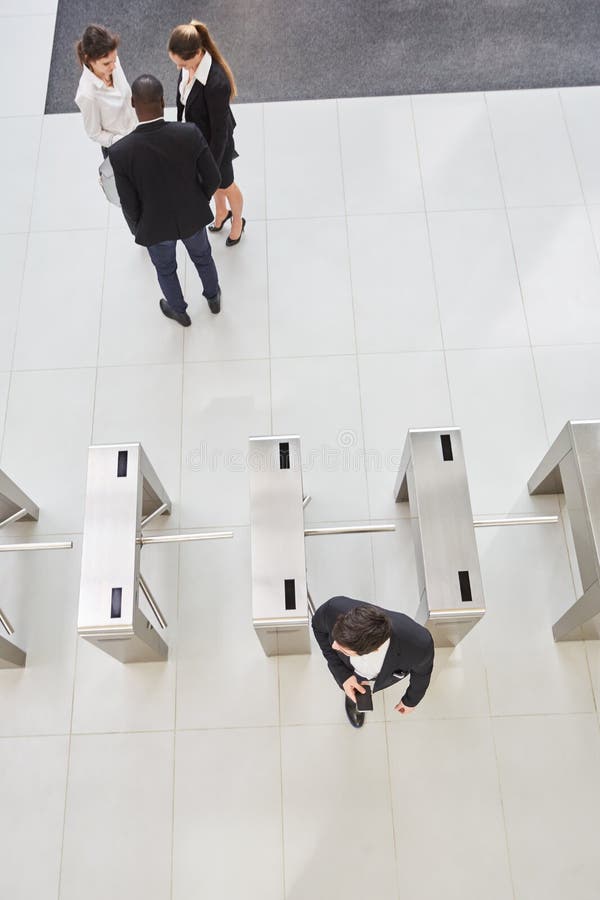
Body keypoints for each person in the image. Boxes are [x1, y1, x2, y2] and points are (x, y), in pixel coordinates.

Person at [108, 74, 222, 327]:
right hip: (192, 216)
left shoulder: (120, 153)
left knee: (165, 269)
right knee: (203, 257)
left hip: (154, 225)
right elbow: (213, 177)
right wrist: (197, 200)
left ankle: (179, 311)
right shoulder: (189, 133)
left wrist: (139, 228)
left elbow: (129, 202)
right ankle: (213, 298)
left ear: (133, 104)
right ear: (163, 101)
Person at [168, 19, 245, 246]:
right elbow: (183, 102)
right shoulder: (188, 68)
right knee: (216, 185)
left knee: (226, 184)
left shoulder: (216, 83)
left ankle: (238, 221)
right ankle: (222, 212)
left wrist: (210, 163)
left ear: (196, 54)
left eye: (181, 64)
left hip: (215, 146)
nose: (179, 68)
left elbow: (220, 133)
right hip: (198, 141)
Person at [312, 596, 434, 728]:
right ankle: (353, 699)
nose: (334, 646)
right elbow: (318, 628)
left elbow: (422, 674)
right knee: (353, 688)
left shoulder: (419, 645)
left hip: (386, 669)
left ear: (374, 650)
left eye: (344, 649)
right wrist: (343, 675)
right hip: (348, 667)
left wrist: (411, 701)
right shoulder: (333, 609)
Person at [75, 24, 137, 156]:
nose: (114, 66)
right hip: (119, 147)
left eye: (114, 60)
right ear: (88, 59)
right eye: (106, 63)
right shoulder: (87, 94)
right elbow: (94, 133)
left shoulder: (112, 61)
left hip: (136, 133)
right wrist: (122, 141)